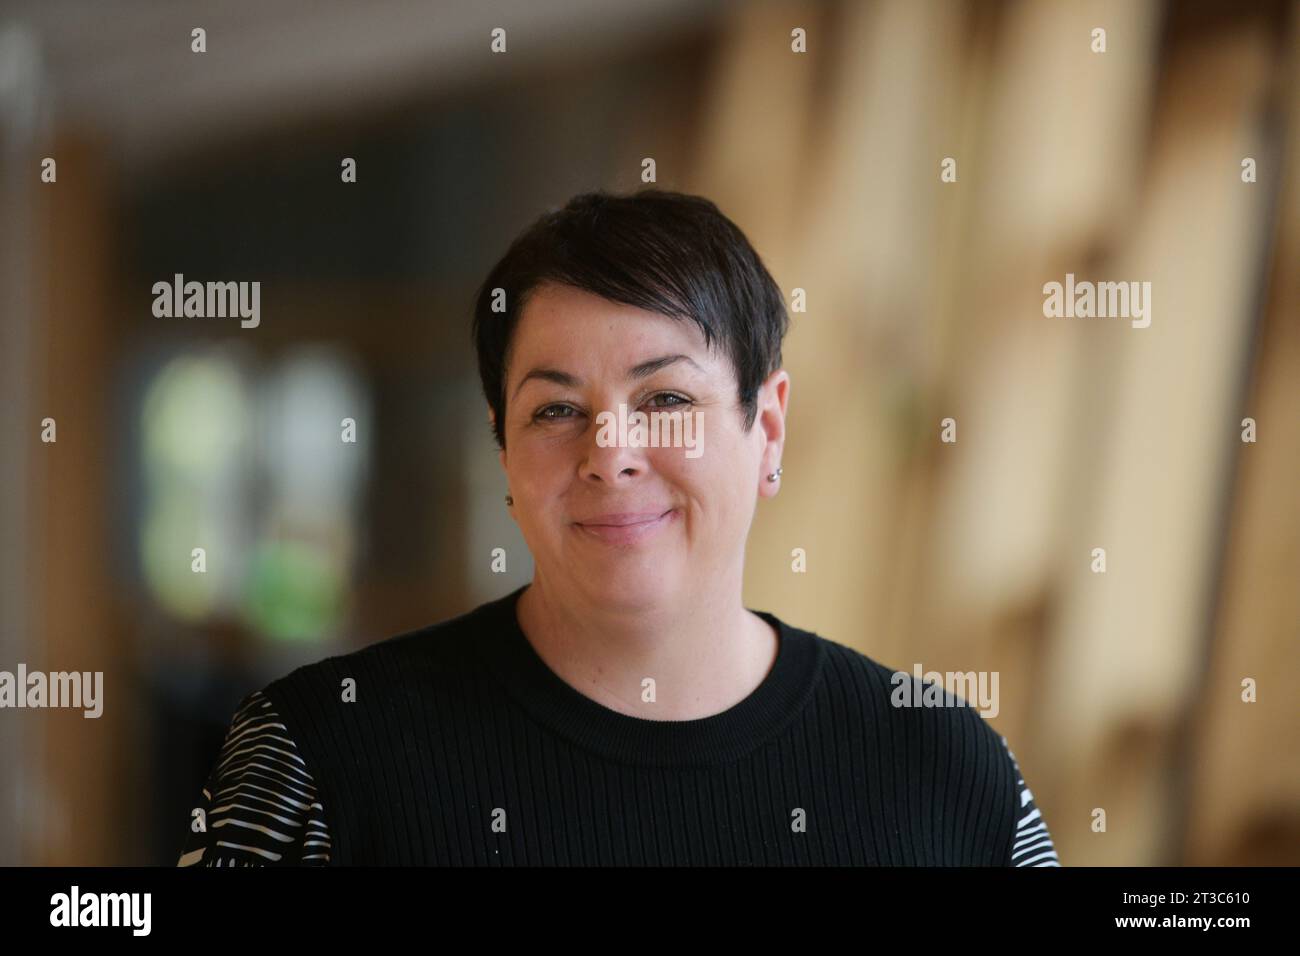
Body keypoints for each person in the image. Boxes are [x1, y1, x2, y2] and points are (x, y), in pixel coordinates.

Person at [177, 188, 1059, 866]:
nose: (611, 453)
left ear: (770, 428)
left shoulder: (944, 770)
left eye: (667, 399)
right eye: (556, 410)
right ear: (503, 452)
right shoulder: (322, 754)